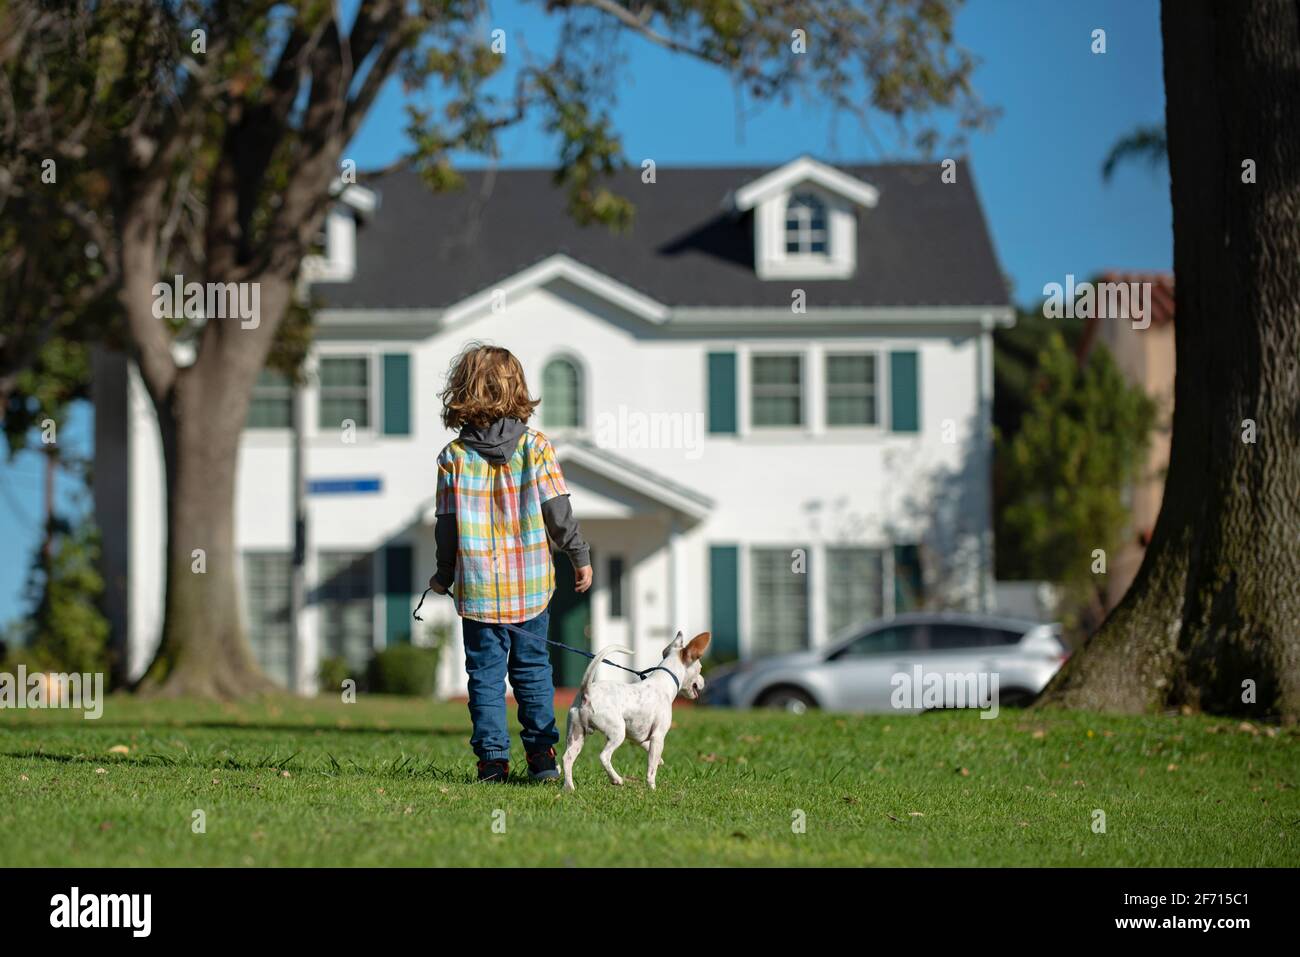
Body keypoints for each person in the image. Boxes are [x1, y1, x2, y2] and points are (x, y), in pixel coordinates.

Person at [430, 343, 592, 782]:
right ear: (517, 389)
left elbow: (447, 528)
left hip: (479, 589)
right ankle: (542, 758)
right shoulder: (537, 447)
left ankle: (492, 762)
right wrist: (579, 555)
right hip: (531, 587)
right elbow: (558, 511)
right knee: (534, 671)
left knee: (484, 678)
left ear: (462, 391)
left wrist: (444, 575)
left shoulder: (453, 458)